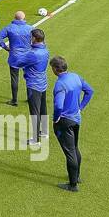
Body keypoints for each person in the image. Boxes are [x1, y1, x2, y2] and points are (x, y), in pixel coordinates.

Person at [51, 56, 94, 192]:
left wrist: (56, 118)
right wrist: (80, 107)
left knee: (70, 152)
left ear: (56, 69)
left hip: (64, 121)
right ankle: (77, 176)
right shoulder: (76, 77)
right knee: (75, 148)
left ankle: (73, 185)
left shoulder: (60, 84)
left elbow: (58, 105)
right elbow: (89, 91)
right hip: (76, 119)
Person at [0, 10, 34, 105]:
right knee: (29, 77)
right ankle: (30, 98)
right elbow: (37, 40)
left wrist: (5, 47)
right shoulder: (30, 28)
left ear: (14, 17)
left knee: (14, 78)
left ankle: (14, 100)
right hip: (27, 56)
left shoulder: (9, 28)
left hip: (15, 57)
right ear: (24, 18)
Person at [23, 29, 50, 145]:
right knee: (43, 108)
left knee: (35, 112)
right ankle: (44, 131)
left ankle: (35, 140)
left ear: (34, 38)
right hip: (43, 82)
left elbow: (19, 62)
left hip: (33, 85)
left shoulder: (33, 53)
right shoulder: (45, 50)